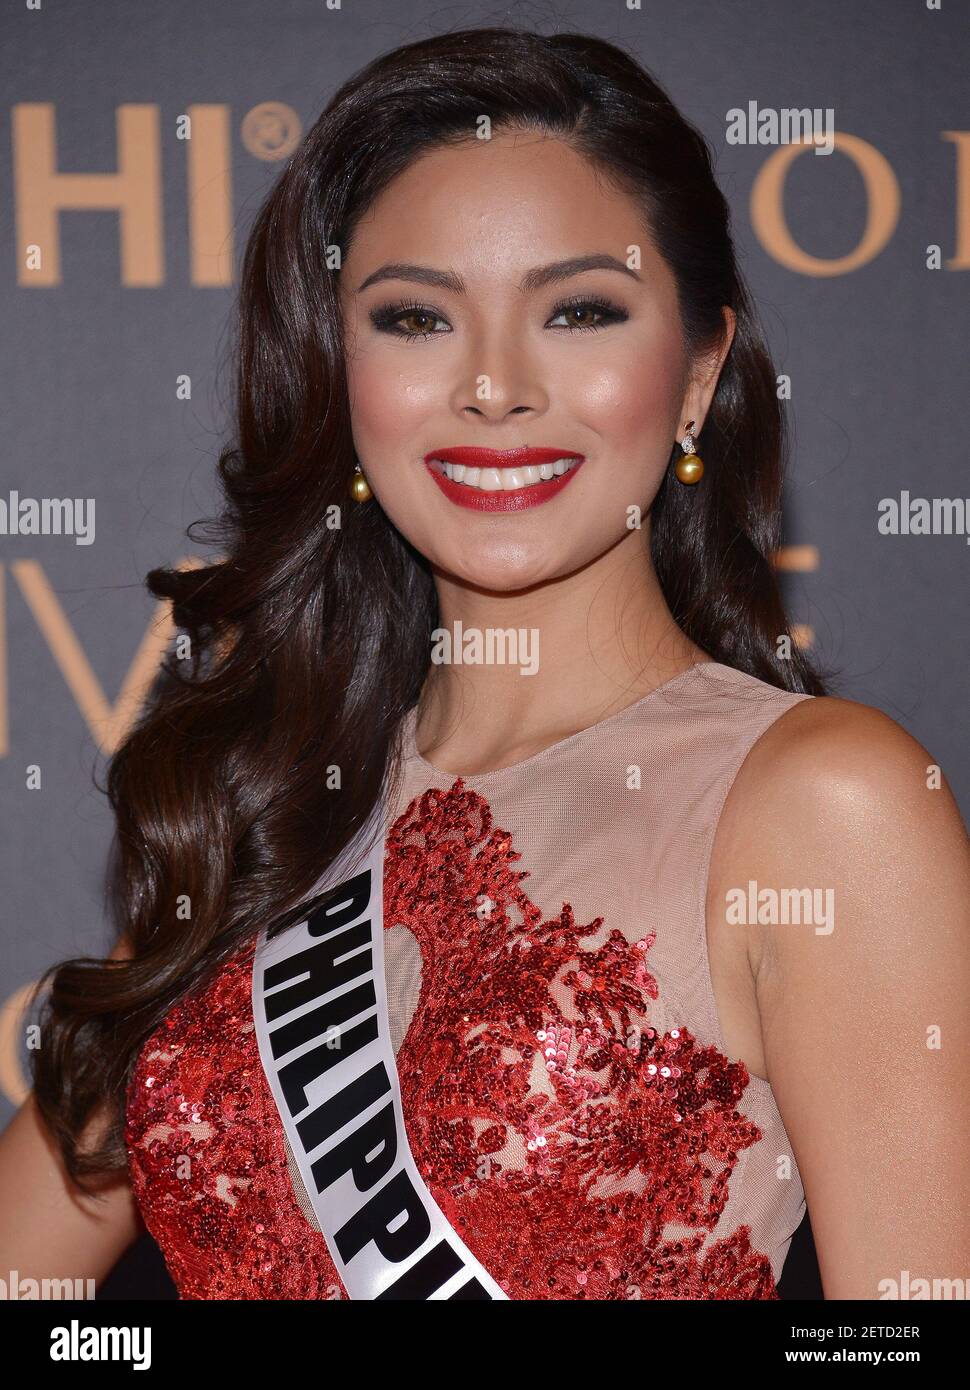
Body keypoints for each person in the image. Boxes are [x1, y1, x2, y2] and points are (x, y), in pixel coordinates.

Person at [1, 26, 967, 1302]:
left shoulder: (824, 803)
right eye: (415, 317)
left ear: (698, 372)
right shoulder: (265, 801)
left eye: (578, 310)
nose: (494, 386)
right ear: (339, 369)